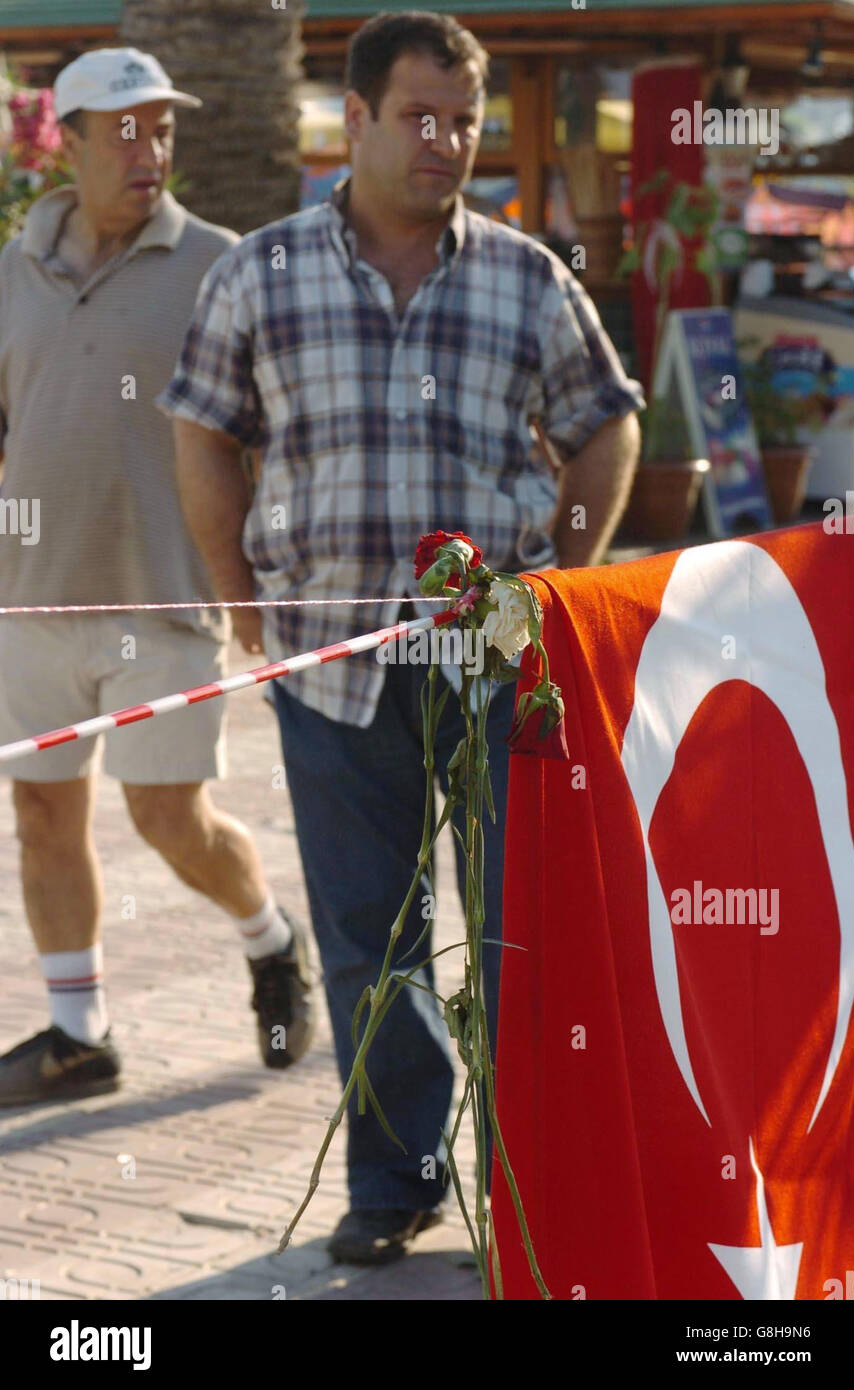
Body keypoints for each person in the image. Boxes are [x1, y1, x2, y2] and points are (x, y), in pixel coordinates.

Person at [160, 11, 643, 1264]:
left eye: (467, 121)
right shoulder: (257, 272)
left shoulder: (527, 276)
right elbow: (202, 425)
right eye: (421, 116)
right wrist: (238, 591)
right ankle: (397, 1182)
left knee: (519, 937)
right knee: (372, 943)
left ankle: (529, 1191)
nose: (447, 142)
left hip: (494, 673)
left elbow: (608, 421)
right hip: (330, 669)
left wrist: (565, 580)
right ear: (356, 117)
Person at [0, 48, 315, 1107]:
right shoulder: (13, 268)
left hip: (166, 598)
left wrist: (262, 574)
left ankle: (270, 941)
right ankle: (80, 1035)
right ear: (70, 142)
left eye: (163, 129)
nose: (151, 151)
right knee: (42, 814)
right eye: (124, 131)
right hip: (32, 597)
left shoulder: (220, 264)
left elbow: (273, 428)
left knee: (167, 816)